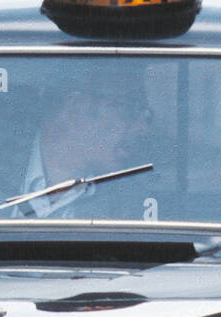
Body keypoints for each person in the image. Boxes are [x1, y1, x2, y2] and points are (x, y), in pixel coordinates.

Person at [19, 75, 153, 217]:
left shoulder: (133, 207)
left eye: (147, 115)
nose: (143, 128)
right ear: (76, 109)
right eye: (129, 110)